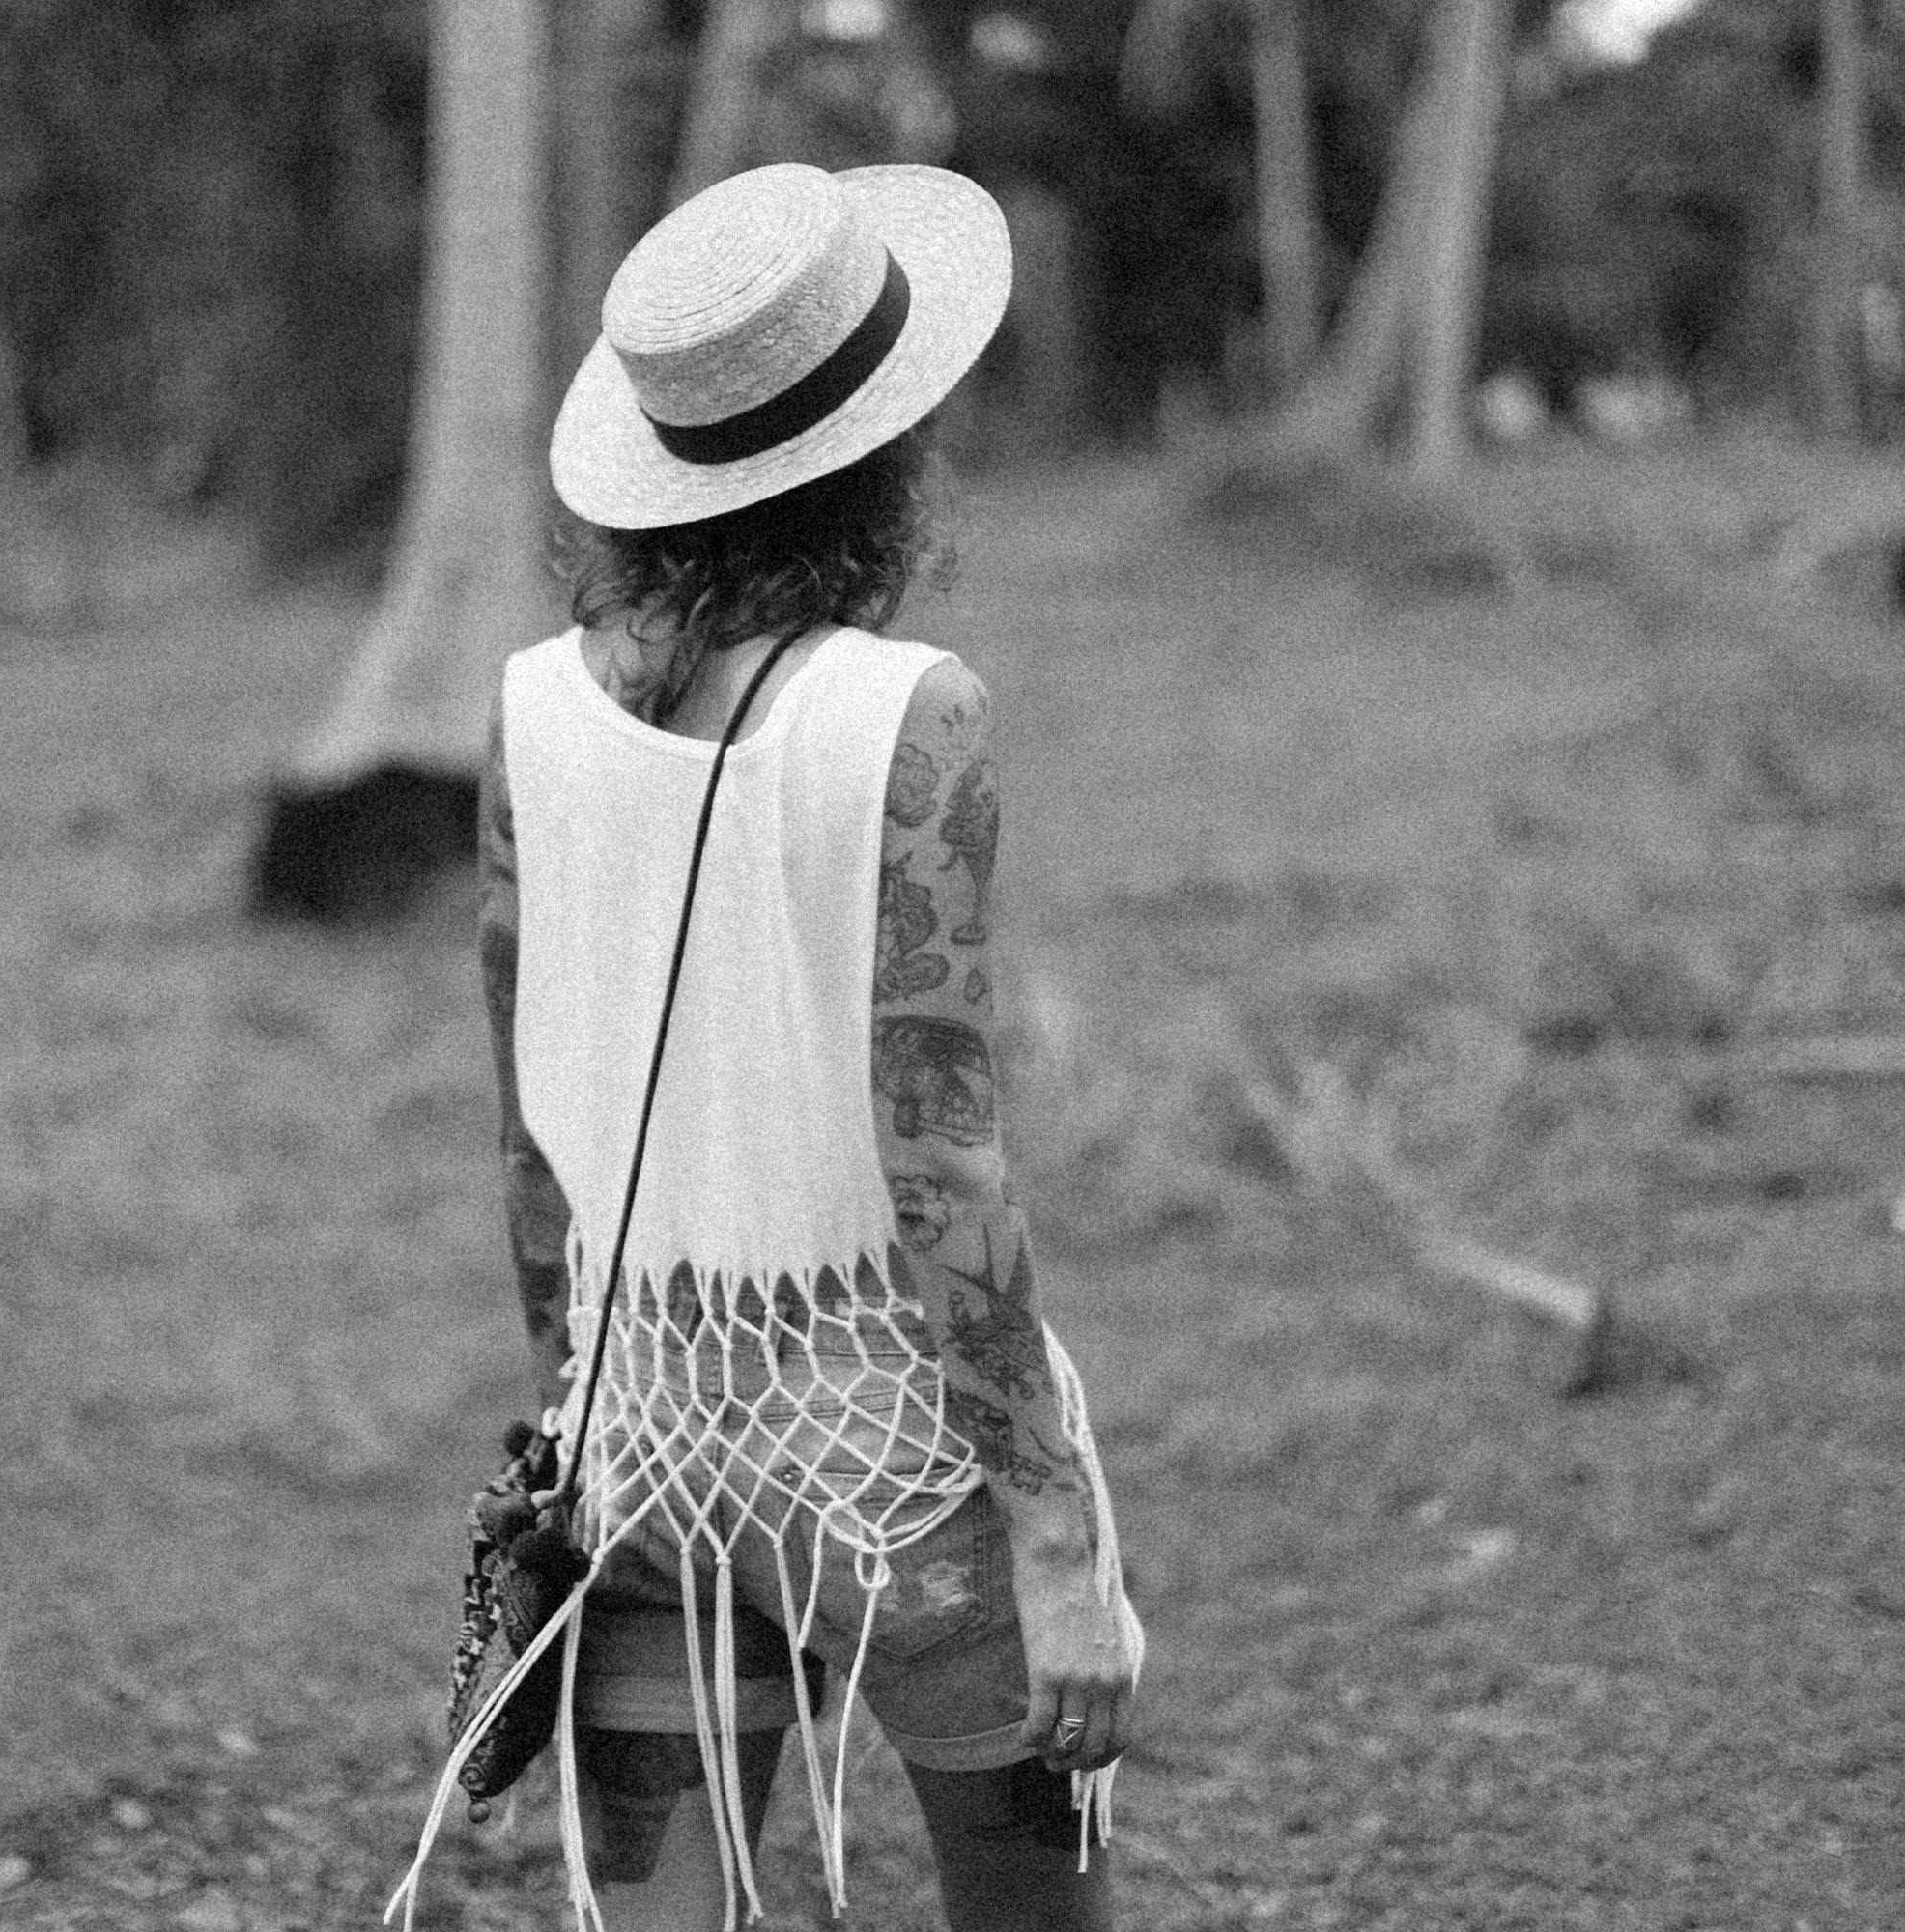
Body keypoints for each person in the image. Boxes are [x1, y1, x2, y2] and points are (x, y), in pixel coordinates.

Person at [433, 161, 1144, 1932]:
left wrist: (576, 1421)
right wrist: (1055, 1530)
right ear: (883, 453)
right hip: (892, 1457)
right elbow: (941, 1154)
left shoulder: (529, 713)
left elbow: (530, 1140)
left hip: (645, 1443)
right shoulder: (912, 714)